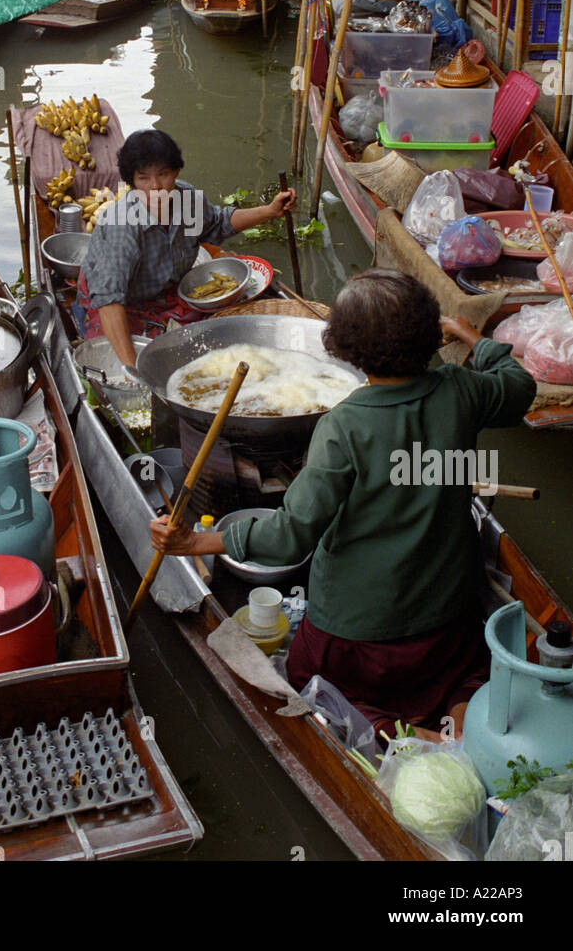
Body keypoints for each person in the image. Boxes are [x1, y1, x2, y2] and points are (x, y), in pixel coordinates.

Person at [150, 269, 536, 740]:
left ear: (347, 349)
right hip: (446, 617)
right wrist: (472, 336)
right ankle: (456, 714)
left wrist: (196, 541)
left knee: (305, 678)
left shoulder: (345, 424)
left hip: (360, 632)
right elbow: (519, 386)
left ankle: (395, 733)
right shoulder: (462, 390)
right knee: (462, 669)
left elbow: (290, 536)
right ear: (427, 333)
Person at [77, 128, 296, 369]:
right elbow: (109, 301)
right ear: (131, 182)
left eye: (163, 174)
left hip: (165, 292)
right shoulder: (122, 226)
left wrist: (269, 211)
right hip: (121, 300)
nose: (156, 186)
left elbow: (219, 223)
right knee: (146, 361)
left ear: (176, 172)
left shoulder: (186, 199)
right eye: (144, 178)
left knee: (221, 336)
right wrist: (133, 370)